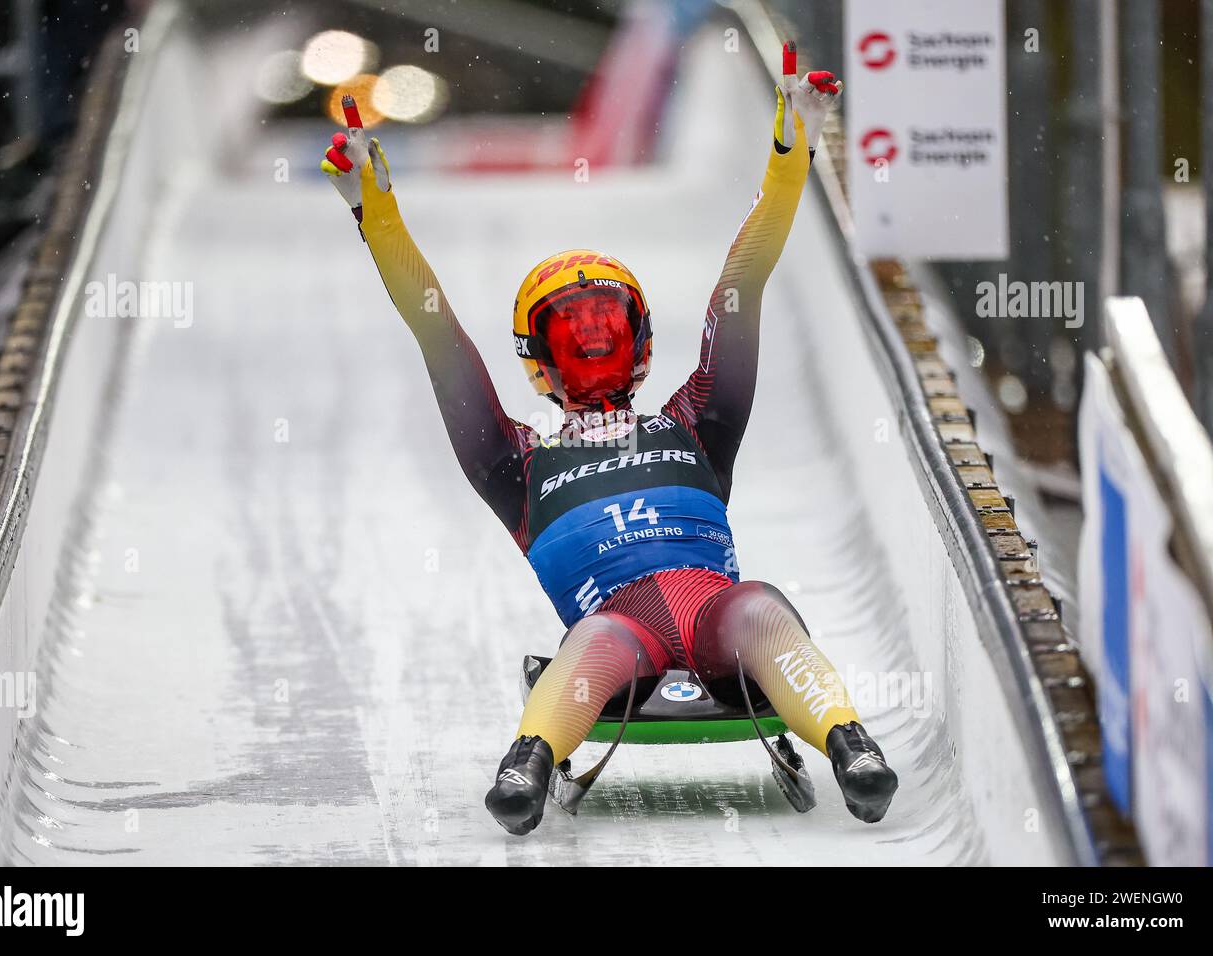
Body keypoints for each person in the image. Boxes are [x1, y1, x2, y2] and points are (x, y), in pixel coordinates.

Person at [320, 50, 898, 837]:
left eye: (607, 326)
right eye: (573, 332)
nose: (594, 341)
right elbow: (436, 334)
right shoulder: (514, 464)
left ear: (640, 345)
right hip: (618, 635)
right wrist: (376, 215)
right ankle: (524, 762)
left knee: (758, 605)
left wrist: (789, 154)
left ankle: (852, 744)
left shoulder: (697, 421)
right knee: (592, 639)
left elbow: (744, 282)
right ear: (541, 362)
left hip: (718, 614)